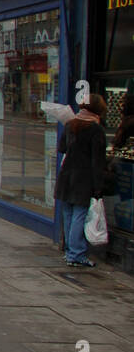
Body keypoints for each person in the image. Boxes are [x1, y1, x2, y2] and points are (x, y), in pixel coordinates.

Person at [54, 95, 108, 267]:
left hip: (66, 175)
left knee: (69, 213)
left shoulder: (71, 124)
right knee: (80, 214)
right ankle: (76, 254)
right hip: (83, 178)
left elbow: (62, 148)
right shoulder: (95, 130)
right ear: (98, 110)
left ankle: (70, 252)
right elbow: (97, 161)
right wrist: (98, 187)